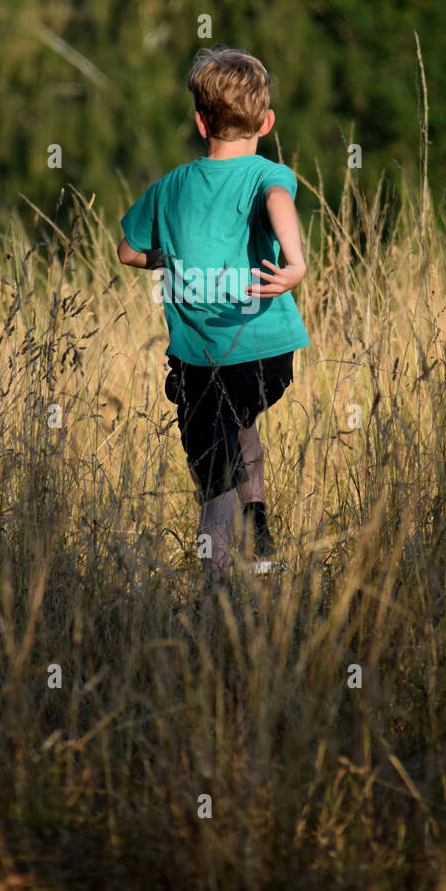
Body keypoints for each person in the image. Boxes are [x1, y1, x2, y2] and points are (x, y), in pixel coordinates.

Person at [117, 45, 310, 572]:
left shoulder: (170, 186)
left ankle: (216, 587)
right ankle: (260, 525)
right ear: (266, 122)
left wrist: (159, 256)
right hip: (270, 358)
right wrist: (294, 265)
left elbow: (127, 251)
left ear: (200, 122)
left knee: (213, 485)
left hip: (203, 361)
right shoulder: (266, 174)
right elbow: (278, 198)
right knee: (240, 422)